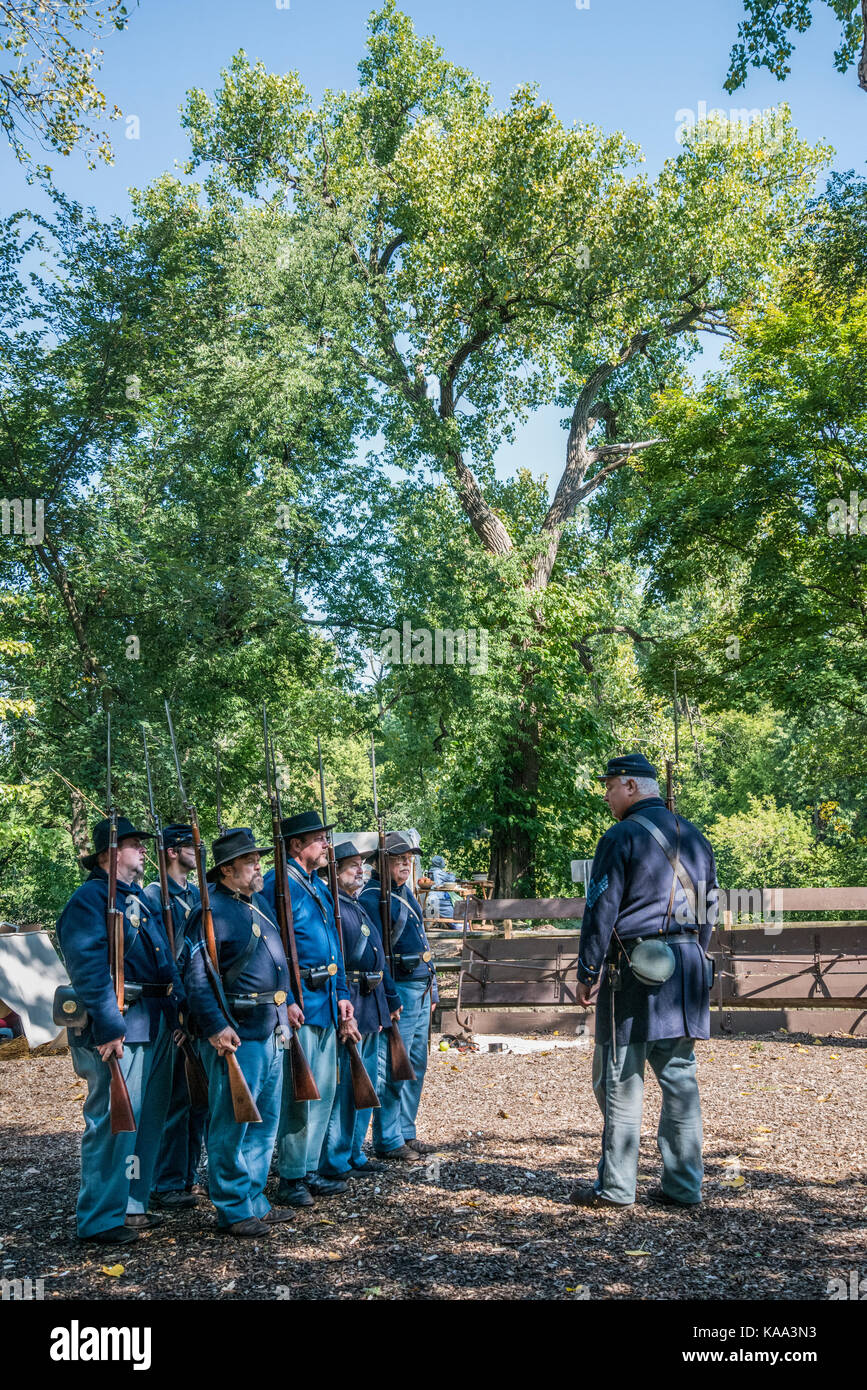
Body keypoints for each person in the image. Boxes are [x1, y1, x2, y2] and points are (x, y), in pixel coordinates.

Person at [571, 753, 718, 1209]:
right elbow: (709, 908)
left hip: (634, 971)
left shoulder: (620, 836)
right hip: (689, 966)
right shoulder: (697, 837)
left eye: (610, 787)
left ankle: (616, 1186)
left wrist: (588, 971)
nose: (607, 797)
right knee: (679, 1077)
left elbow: (601, 909)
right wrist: (693, 950)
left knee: (618, 1077)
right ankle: (683, 1185)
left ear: (631, 787)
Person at [56, 816, 182, 1244]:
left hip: (156, 1019)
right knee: (114, 1124)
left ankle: (133, 1203)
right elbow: (89, 969)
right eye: (133, 844)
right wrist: (110, 1025)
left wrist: (178, 1012)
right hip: (121, 1026)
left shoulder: (139, 900)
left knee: (147, 1122)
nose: (143, 850)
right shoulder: (90, 900)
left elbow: (165, 960)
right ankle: (99, 1219)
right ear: (110, 854)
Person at [185, 826, 302, 1238]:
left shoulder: (256, 906)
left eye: (258, 859)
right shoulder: (210, 912)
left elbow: (275, 962)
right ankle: (233, 1209)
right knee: (231, 1126)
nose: (259, 867)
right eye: (251, 861)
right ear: (226, 869)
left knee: (263, 1124)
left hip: (271, 1029)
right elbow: (196, 979)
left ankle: (254, 1199)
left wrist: (286, 1001)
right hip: (235, 1035)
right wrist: (216, 1027)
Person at [261, 811, 354, 1207]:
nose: (326, 846)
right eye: (319, 839)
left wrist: (344, 990)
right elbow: (272, 951)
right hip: (302, 1003)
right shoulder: (276, 885)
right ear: (296, 845)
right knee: (301, 1095)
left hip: (328, 999)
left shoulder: (316, 885)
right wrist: (289, 1001)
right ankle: (292, 1176)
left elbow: (335, 947)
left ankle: (310, 1167)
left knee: (324, 1091)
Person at [318, 840, 401, 1181]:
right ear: (334, 871)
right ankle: (336, 1159)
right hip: (351, 998)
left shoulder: (356, 904)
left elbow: (378, 957)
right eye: (351, 865)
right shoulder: (332, 905)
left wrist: (389, 1000)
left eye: (362, 864)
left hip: (370, 1000)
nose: (360, 870)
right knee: (346, 1086)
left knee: (366, 1082)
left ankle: (353, 1151)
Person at [361, 832, 438, 1162]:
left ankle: (406, 1130)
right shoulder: (372, 898)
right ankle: (388, 1138)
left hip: (420, 988)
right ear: (381, 863)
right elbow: (376, 957)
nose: (406, 863)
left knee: (415, 1065)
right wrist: (389, 997)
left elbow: (423, 946)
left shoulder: (403, 893)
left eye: (409, 858)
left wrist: (433, 989)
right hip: (400, 990)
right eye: (398, 858)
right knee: (395, 1066)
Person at [144, 824, 207, 1209]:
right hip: (172, 1010)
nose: (196, 852)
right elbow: (161, 958)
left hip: (196, 1009)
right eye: (189, 847)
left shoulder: (195, 895)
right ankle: (166, 1182)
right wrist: (177, 1013)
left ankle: (187, 1176)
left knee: (197, 1097)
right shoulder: (155, 896)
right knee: (174, 1100)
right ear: (171, 851)